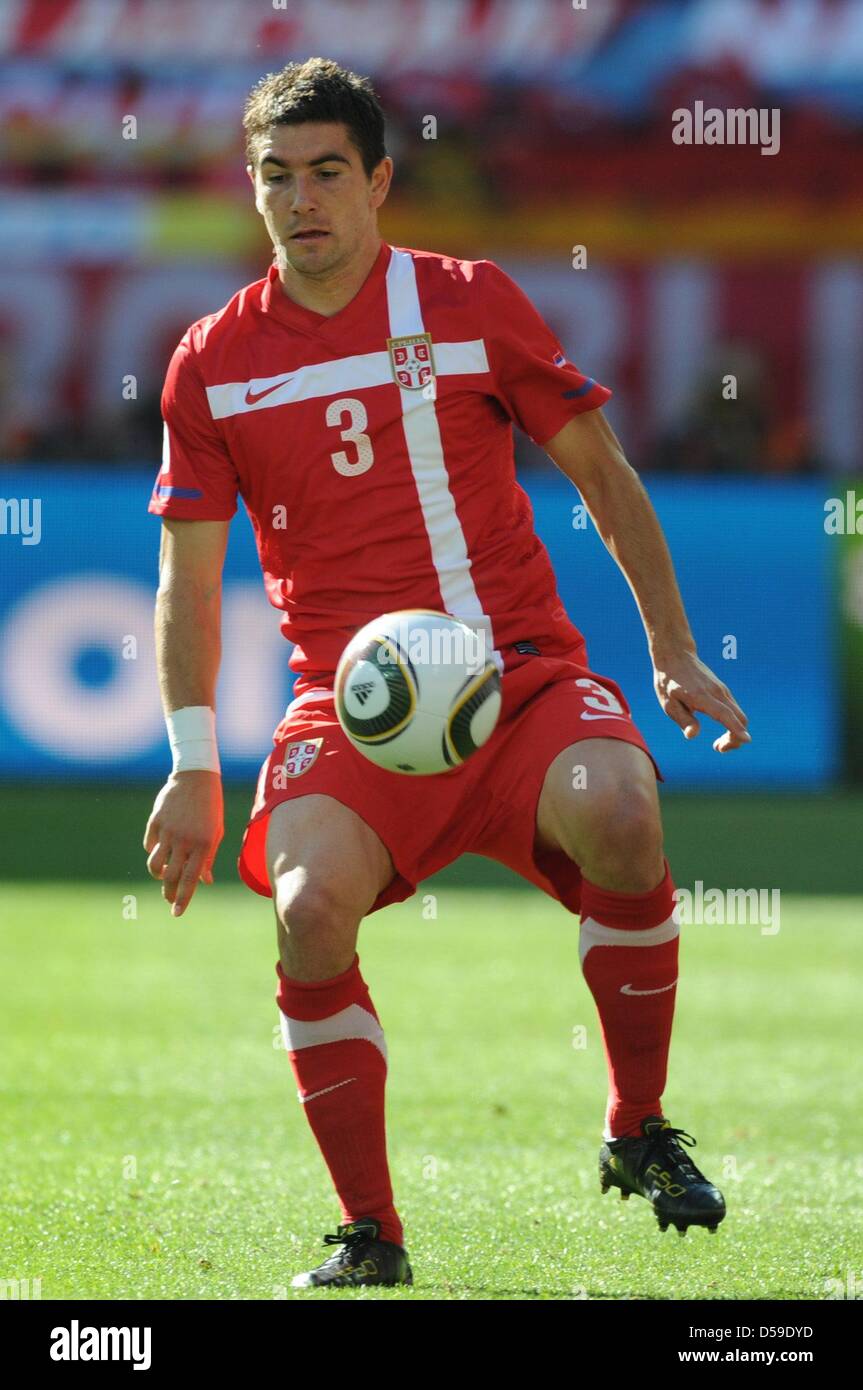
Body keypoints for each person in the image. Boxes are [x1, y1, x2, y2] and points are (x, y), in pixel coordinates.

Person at [144, 58, 750, 1289]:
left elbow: (602, 472)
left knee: (624, 816)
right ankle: (373, 1234)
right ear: (251, 192)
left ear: (376, 180)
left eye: (326, 172)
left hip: (516, 674)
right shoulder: (210, 362)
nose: (301, 198)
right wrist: (191, 767)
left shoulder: (468, 302)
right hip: (350, 711)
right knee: (307, 910)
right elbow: (187, 583)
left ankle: (635, 1128)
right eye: (275, 177)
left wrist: (671, 648)